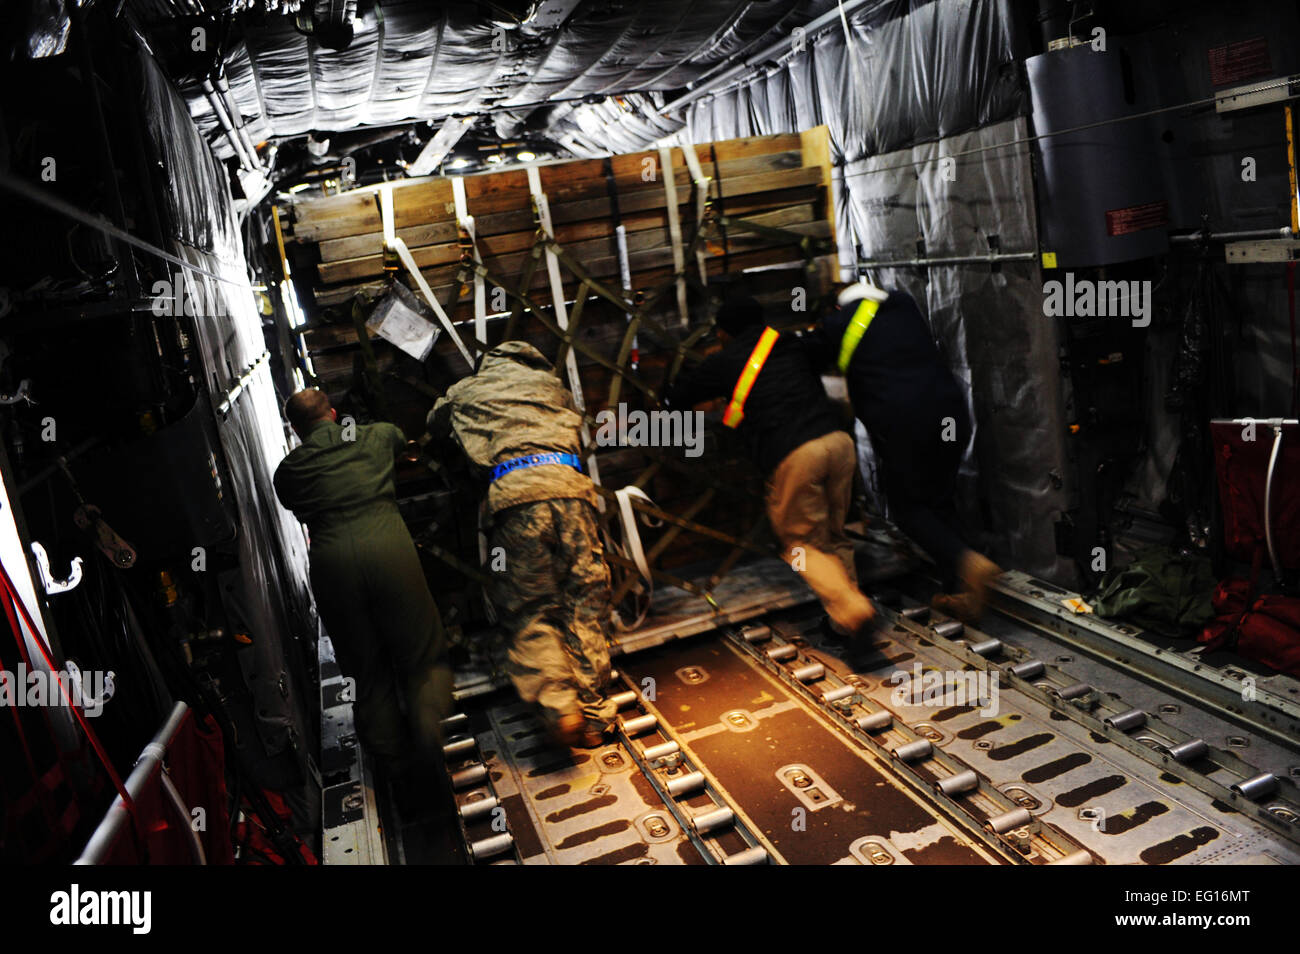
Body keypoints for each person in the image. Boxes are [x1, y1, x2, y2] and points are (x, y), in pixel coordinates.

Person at [426, 342, 617, 749]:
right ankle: (597, 711)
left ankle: (561, 705)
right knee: (585, 599)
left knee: (530, 608)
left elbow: (435, 423)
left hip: (516, 498)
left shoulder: (466, 390)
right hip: (573, 490)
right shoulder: (552, 386)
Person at [664, 296, 877, 636]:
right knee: (835, 537)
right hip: (838, 443)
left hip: (796, 454)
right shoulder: (792, 344)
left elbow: (676, 398)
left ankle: (851, 607)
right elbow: (828, 347)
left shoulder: (724, 360)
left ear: (723, 334)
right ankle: (846, 622)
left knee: (799, 547)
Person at [273, 388, 453, 771]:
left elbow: (293, 500)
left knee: (364, 669)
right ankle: (430, 741)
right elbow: (400, 441)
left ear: (295, 428)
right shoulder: (377, 435)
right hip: (389, 548)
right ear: (334, 413)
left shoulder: (288, 472)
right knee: (421, 652)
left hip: (332, 562)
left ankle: (391, 762)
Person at [822, 281, 1001, 622]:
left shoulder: (838, 324)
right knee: (939, 501)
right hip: (950, 415)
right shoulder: (902, 304)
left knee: (908, 509)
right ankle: (958, 593)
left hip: (905, 423)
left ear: (836, 306)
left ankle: (971, 563)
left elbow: (821, 364)